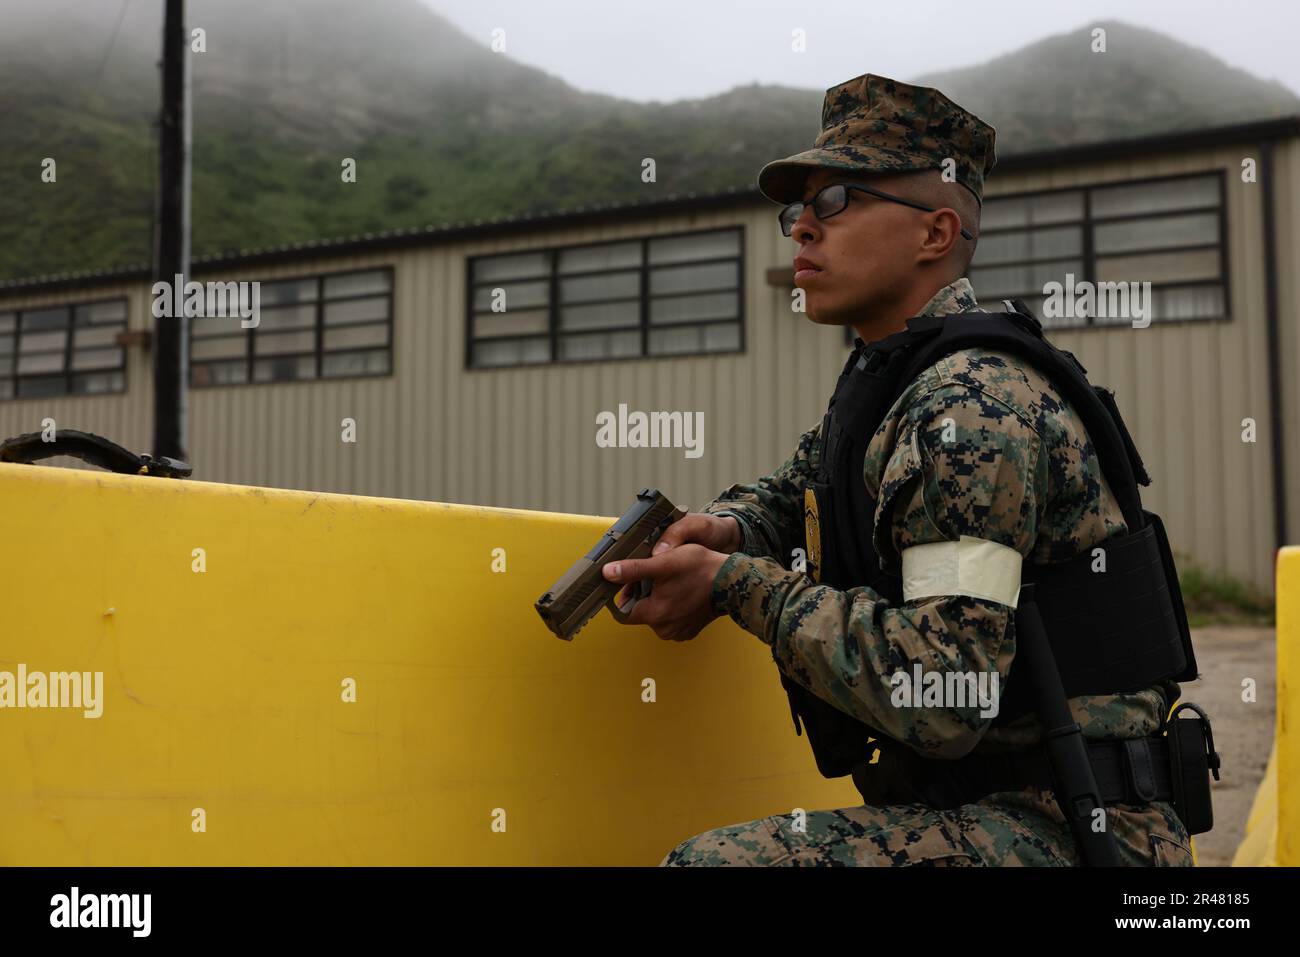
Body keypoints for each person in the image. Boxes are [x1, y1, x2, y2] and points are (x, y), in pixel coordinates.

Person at [600, 73, 1197, 866]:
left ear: (935, 233)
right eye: (796, 209)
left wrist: (734, 584)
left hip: (1075, 830)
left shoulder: (970, 407)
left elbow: (946, 691)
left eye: (838, 199)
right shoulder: (895, 382)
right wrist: (733, 528)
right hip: (986, 805)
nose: (801, 229)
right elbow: (800, 488)